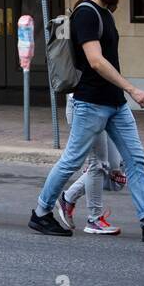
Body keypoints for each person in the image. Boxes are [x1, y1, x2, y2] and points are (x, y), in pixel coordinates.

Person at [30, 0, 144, 243]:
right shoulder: (86, 14)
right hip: (90, 103)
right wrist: (132, 89)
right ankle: (41, 212)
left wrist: (123, 95)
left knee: (135, 160)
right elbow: (96, 61)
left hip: (115, 104)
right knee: (71, 161)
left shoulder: (105, 14)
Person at [54, 93, 126, 236]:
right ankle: (94, 219)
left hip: (108, 106)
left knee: (115, 175)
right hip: (86, 107)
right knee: (98, 164)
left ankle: (68, 198)